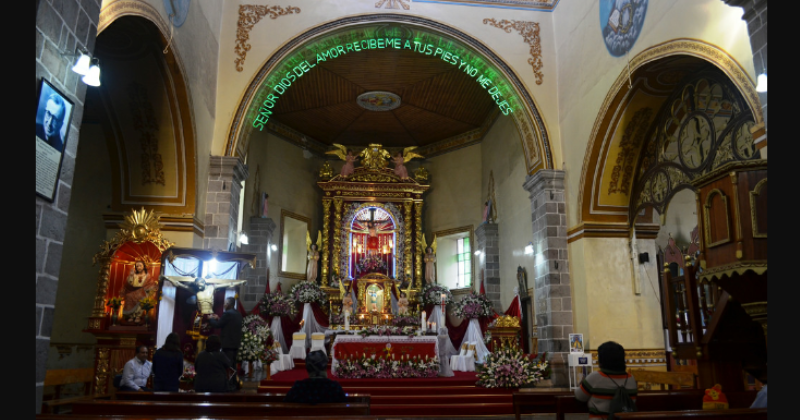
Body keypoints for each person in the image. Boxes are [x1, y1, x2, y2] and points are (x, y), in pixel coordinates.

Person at [575, 341, 638, 419]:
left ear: (601, 360)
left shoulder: (595, 377)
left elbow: (579, 396)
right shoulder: (631, 378)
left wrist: (581, 383)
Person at [207, 297, 244, 373]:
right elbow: (229, 324)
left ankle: (229, 384)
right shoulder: (238, 314)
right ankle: (233, 383)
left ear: (228, 304)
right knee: (233, 365)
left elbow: (217, 325)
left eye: (225, 303)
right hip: (236, 344)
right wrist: (219, 318)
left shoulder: (227, 313)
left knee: (228, 366)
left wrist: (211, 319)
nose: (223, 305)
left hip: (228, 345)